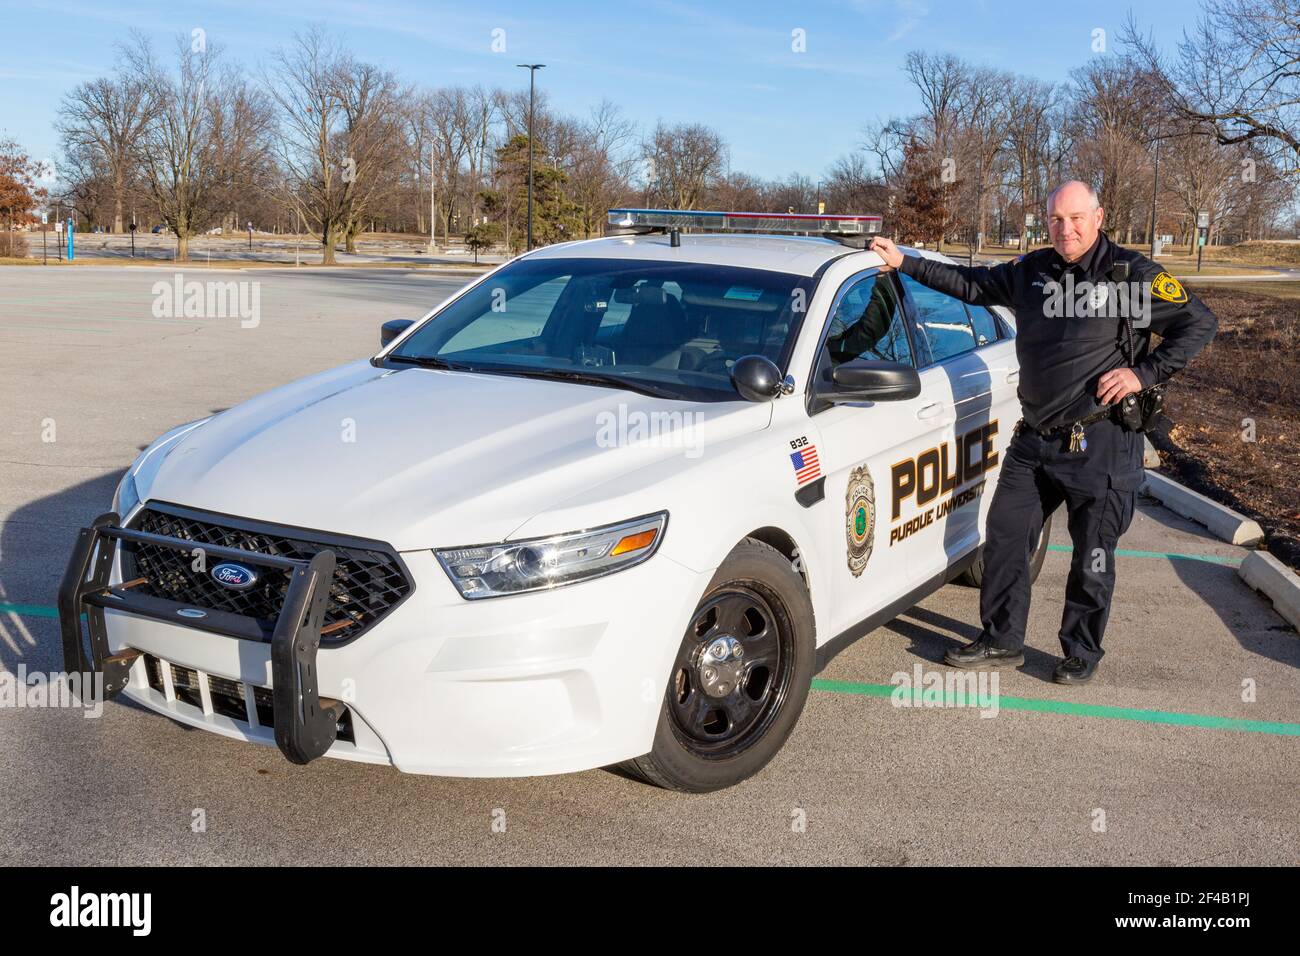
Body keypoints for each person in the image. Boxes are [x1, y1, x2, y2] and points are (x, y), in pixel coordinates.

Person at [868, 180, 1217, 684]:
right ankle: (1001, 640)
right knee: (1006, 536)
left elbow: (1199, 324)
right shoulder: (1033, 271)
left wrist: (1143, 374)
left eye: (1076, 218)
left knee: (1091, 553)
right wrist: (906, 263)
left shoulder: (1130, 276)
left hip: (1101, 441)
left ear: (1099, 218)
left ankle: (1080, 651)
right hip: (1035, 438)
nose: (1065, 228)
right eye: (1056, 218)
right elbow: (971, 285)